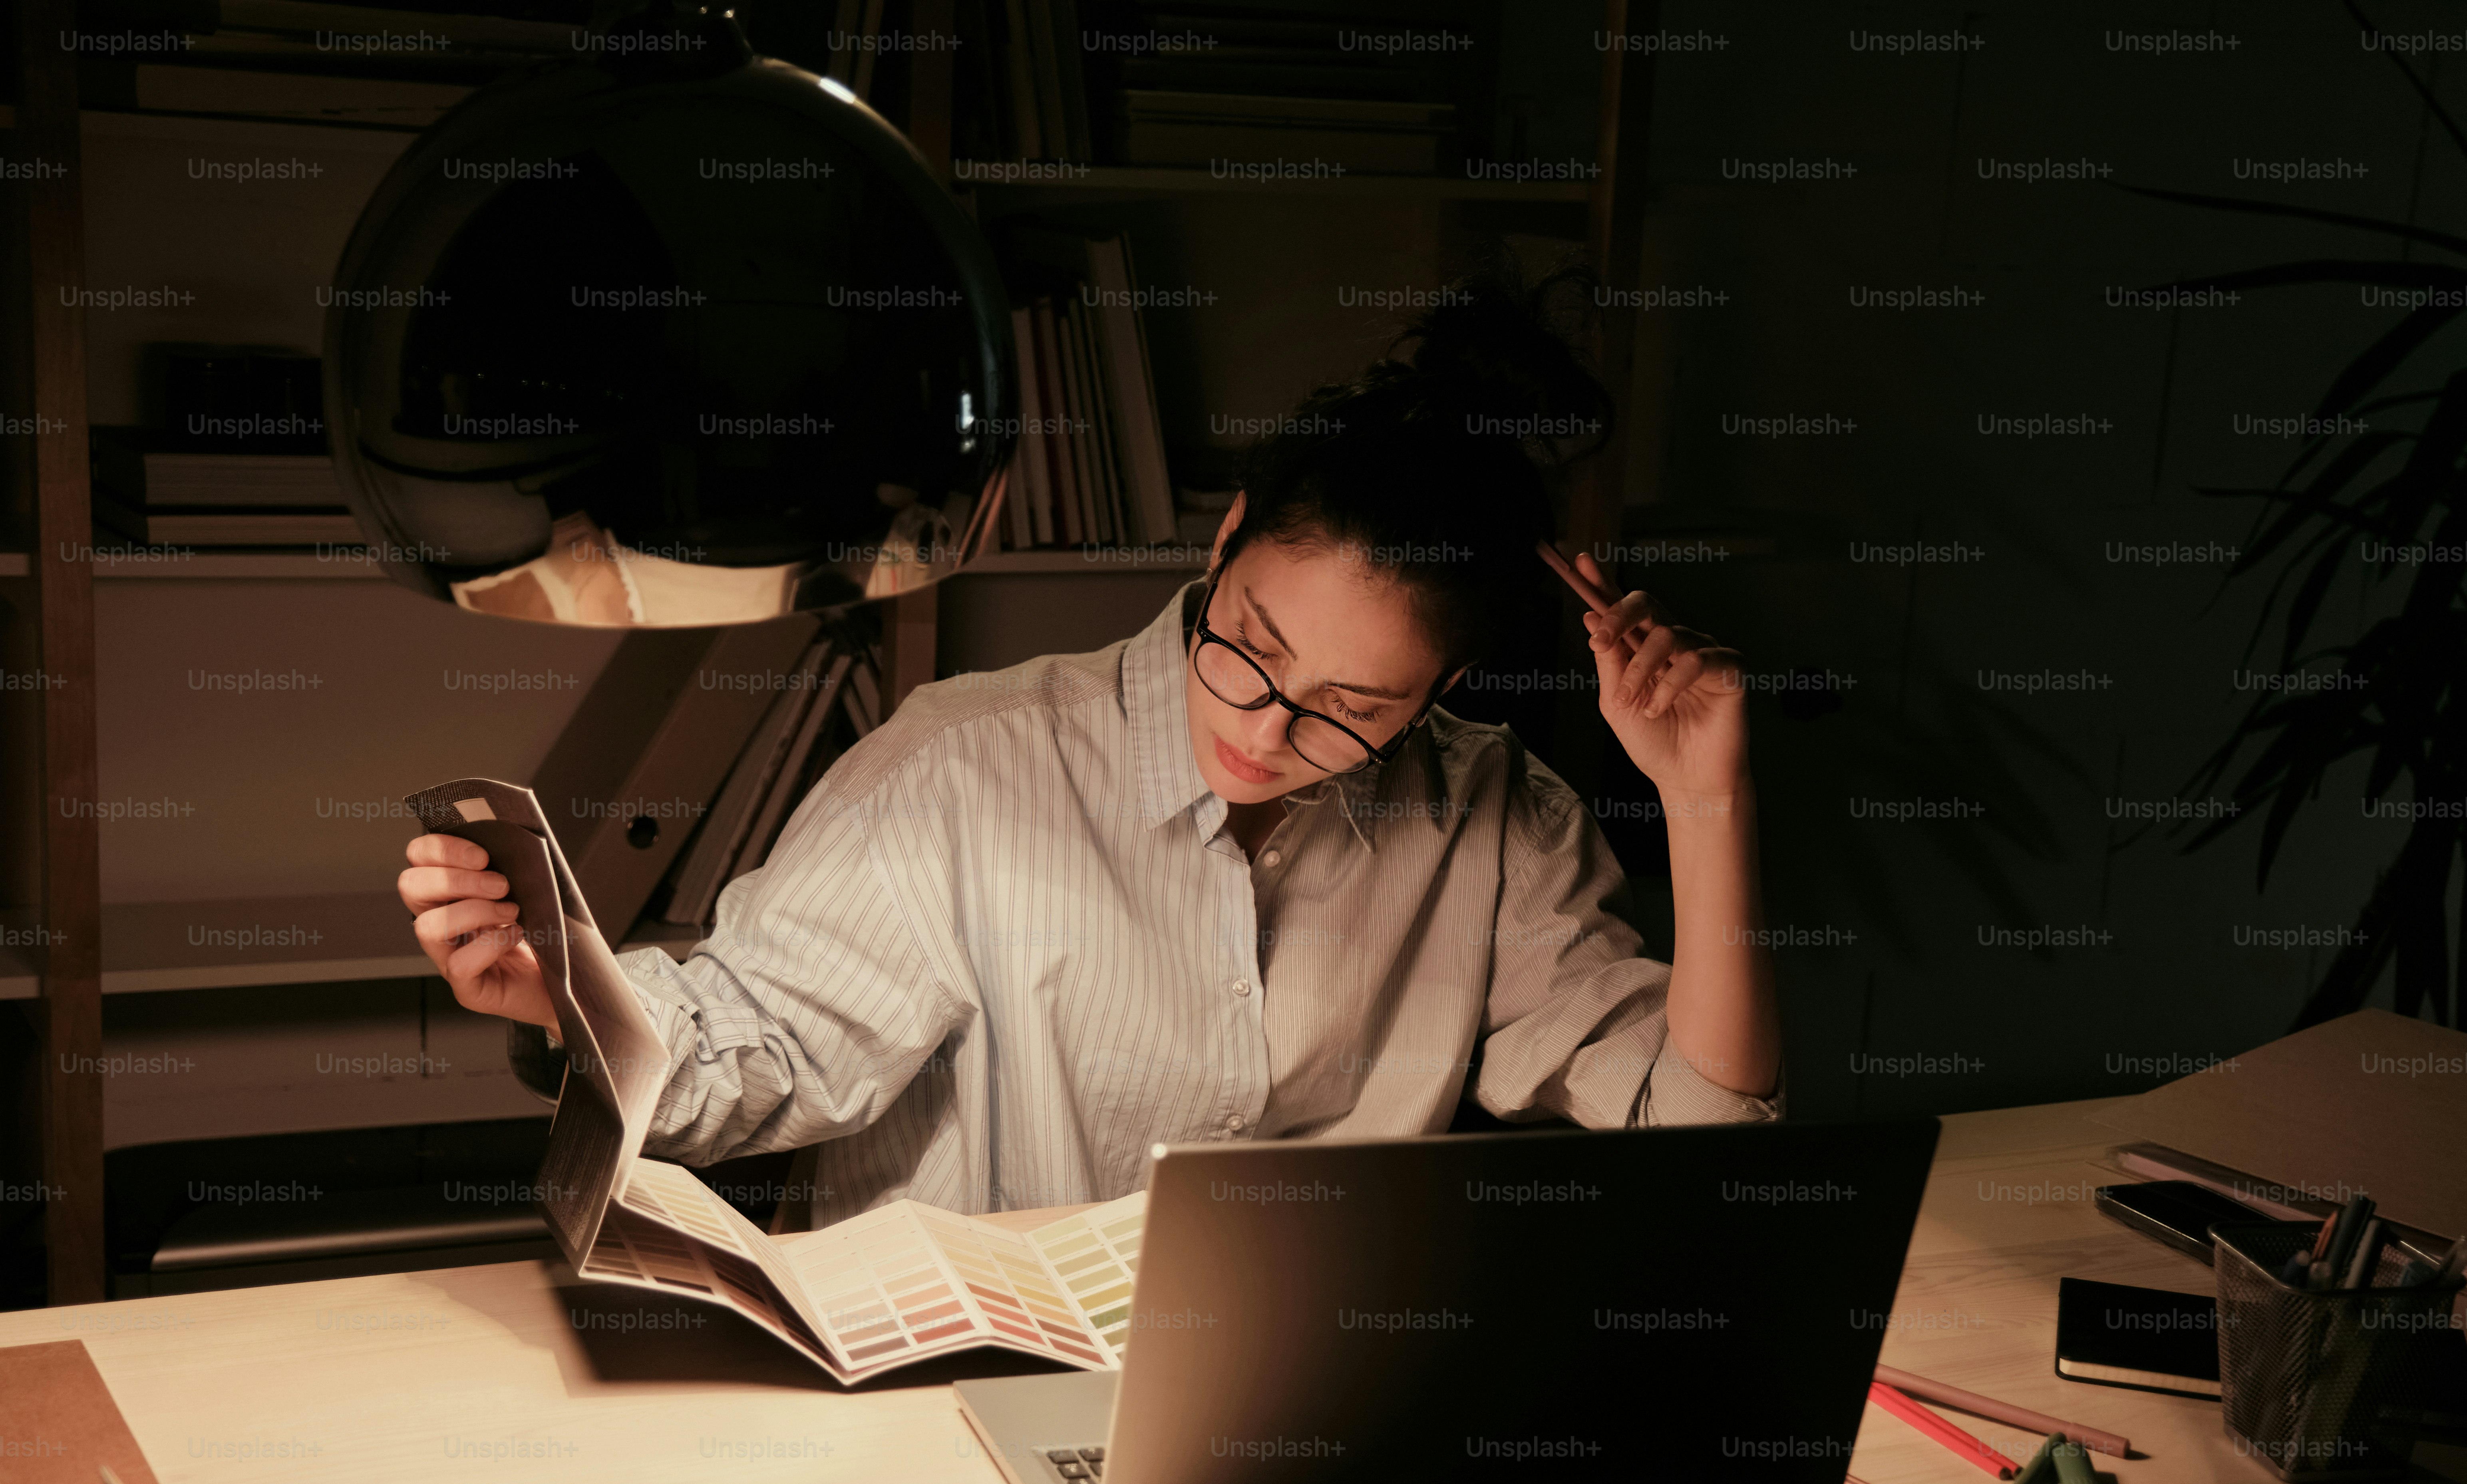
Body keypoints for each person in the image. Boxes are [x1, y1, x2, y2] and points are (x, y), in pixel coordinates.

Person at [398, 264, 1783, 1229]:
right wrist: (552, 989)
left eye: (1355, 710)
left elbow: (1706, 1145)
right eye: (1251, 644)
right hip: (964, 1404)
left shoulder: (1494, 818)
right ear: (1226, 536)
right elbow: (757, 1047)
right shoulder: (966, 767)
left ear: (1451, 687)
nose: (1262, 726)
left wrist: (1706, 800)